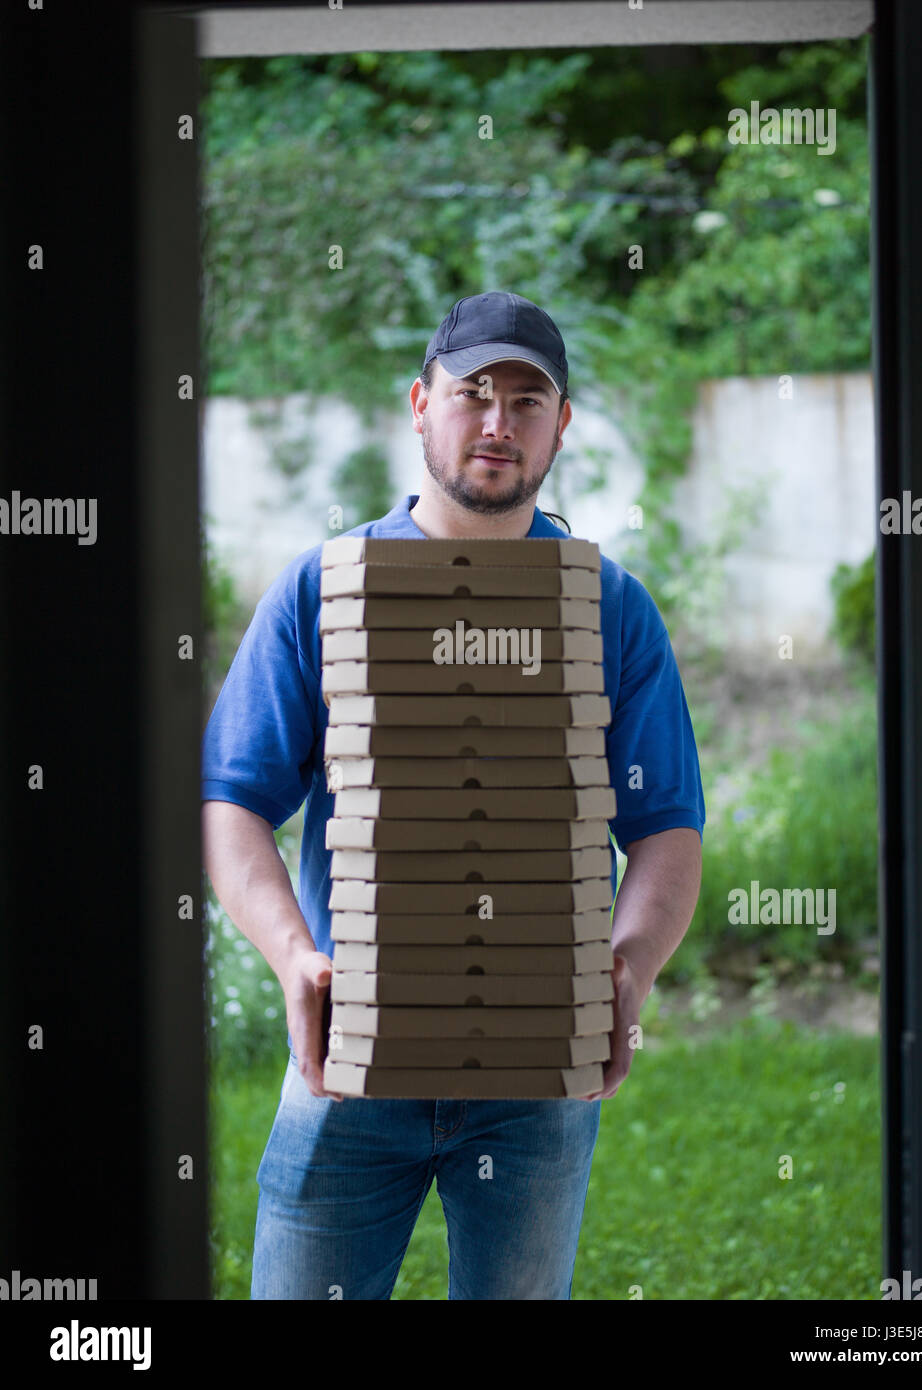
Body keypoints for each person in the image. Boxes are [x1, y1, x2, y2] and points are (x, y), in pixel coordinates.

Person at [202, 290, 705, 1300]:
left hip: (536, 1081)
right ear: (421, 402)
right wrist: (294, 956)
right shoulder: (322, 588)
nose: (498, 422)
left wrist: (630, 967)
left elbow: (664, 827)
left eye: (528, 401)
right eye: (475, 392)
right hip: (350, 1060)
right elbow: (234, 803)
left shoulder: (609, 606)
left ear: (561, 425)